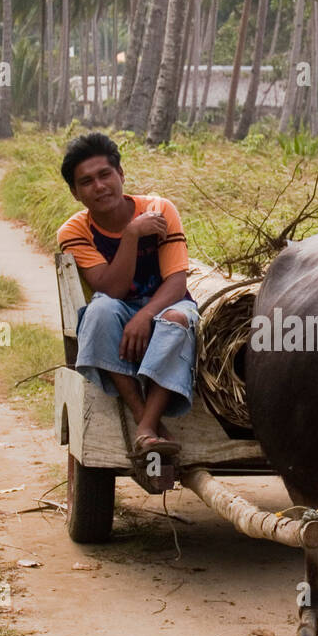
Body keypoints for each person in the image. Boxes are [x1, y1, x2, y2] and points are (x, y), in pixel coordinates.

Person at [57, 133, 198, 458]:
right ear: (76, 193)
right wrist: (133, 234)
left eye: (105, 175)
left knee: (177, 319)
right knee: (100, 310)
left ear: (121, 175)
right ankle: (143, 418)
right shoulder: (74, 231)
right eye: (87, 181)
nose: (99, 186)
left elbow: (176, 282)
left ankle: (146, 427)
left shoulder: (159, 209)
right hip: (118, 307)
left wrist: (146, 316)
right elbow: (112, 289)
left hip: (168, 303)